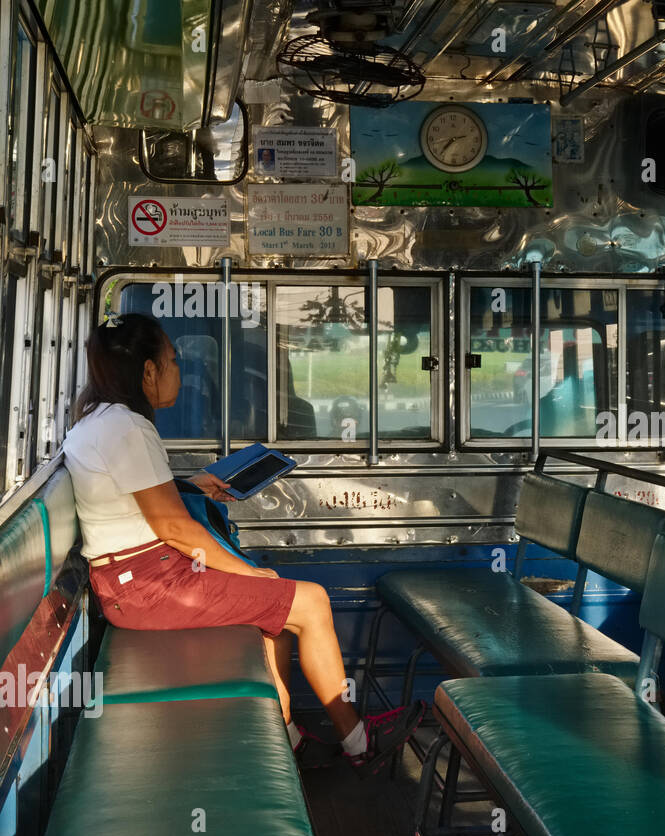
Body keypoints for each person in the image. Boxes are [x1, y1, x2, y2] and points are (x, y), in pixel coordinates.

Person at [61, 313, 423, 773]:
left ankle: (287, 737)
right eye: (173, 361)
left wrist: (192, 485)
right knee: (309, 603)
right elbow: (174, 529)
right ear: (147, 371)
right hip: (146, 585)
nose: (179, 371)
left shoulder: (101, 419)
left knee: (277, 611)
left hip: (133, 579)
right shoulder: (128, 428)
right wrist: (248, 572)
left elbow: (131, 498)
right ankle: (359, 743)